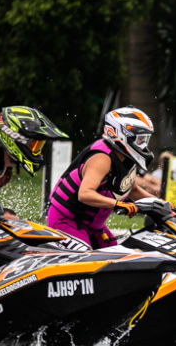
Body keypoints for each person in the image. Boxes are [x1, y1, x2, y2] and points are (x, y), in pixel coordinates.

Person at [47, 106, 161, 248]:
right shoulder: (102, 158)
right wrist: (117, 204)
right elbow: (85, 194)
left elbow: (131, 190)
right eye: (140, 140)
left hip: (92, 226)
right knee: (90, 262)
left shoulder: (126, 158)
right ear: (120, 134)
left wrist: (161, 205)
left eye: (145, 140)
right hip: (66, 220)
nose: (144, 146)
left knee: (118, 260)